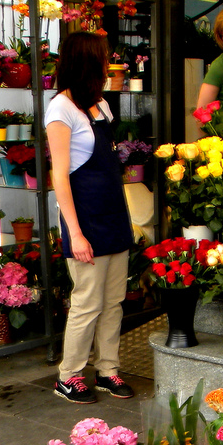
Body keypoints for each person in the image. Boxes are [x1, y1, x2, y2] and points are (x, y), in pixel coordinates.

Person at [46, 32, 134, 404]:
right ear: (87, 62)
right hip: (85, 221)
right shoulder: (60, 110)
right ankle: (69, 375)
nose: (108, 65)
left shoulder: (99, 105)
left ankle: (108, 370)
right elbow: (60, 176)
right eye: (103, 59)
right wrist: (75, 234)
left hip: (114, 216)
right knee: (87, 302)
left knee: (113, 301)